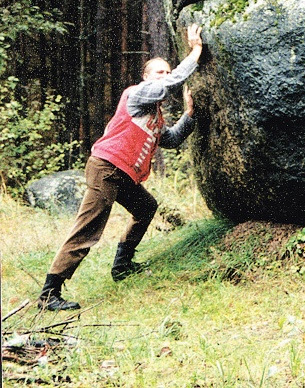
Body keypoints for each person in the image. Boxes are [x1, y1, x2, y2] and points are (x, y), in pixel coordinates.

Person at [37, 24, 204, 311]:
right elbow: (170, 84)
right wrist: (196, 50)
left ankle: (122, 266)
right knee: (88, 229)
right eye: (158, 72)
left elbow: (172, 139)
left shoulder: (155, 116)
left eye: (167, 71)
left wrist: (189, 114)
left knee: (146, 207)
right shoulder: (136, 95)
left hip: (123, 174)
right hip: (106, 168)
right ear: (146, 77)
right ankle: (48, 294)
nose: (164, 76)